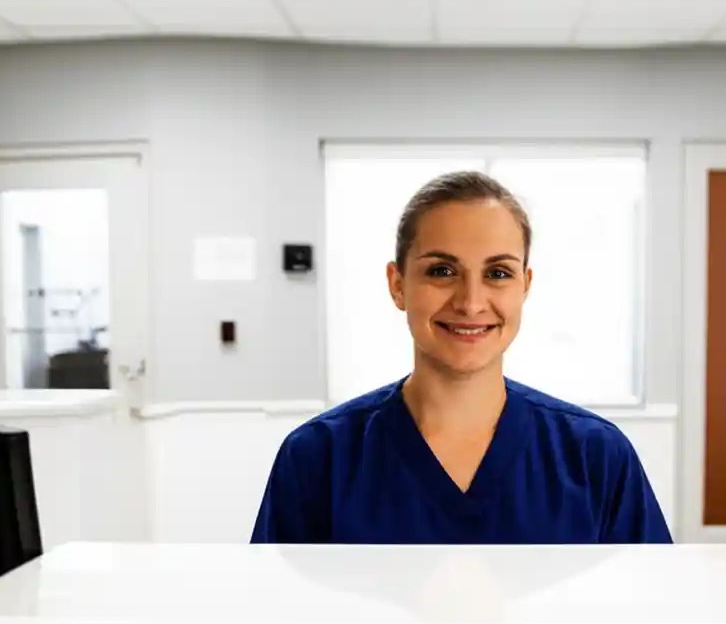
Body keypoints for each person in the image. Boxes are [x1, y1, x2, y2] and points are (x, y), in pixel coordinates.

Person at [251, 171, 671, 544]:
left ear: (524, 286)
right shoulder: (318, 459)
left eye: (498, 273)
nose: (471, 303)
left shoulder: (595, 457)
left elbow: (652, 617)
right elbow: (275, 623)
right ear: (398, 285)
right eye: (442, 271)